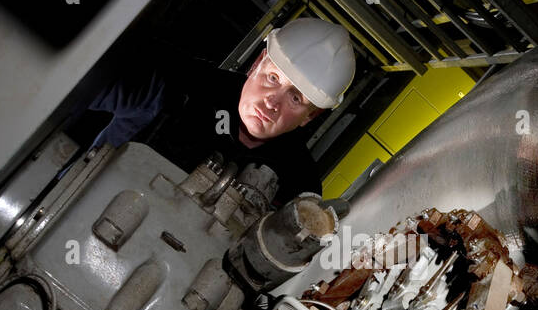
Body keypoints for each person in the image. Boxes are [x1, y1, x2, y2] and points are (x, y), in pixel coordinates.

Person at [81, 19, 355, 204]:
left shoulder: (297, 184)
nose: (273, 102)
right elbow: (77, 81)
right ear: (257, 64)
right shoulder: (182, 85)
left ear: (310, 116)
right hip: (82, 209)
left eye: (295, 98)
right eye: (273, 78)